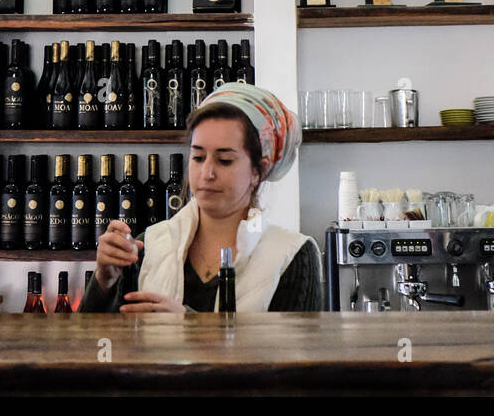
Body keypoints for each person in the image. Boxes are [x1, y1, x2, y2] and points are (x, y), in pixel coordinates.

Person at [80, 83, 323, 313]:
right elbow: (97, 345)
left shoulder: (291, 256)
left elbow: (291, 353)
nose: (207, 173)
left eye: (224, 160)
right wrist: (105, 279)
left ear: (258, 171)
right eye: (198, 157)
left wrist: (190, 325)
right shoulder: (151, 245)